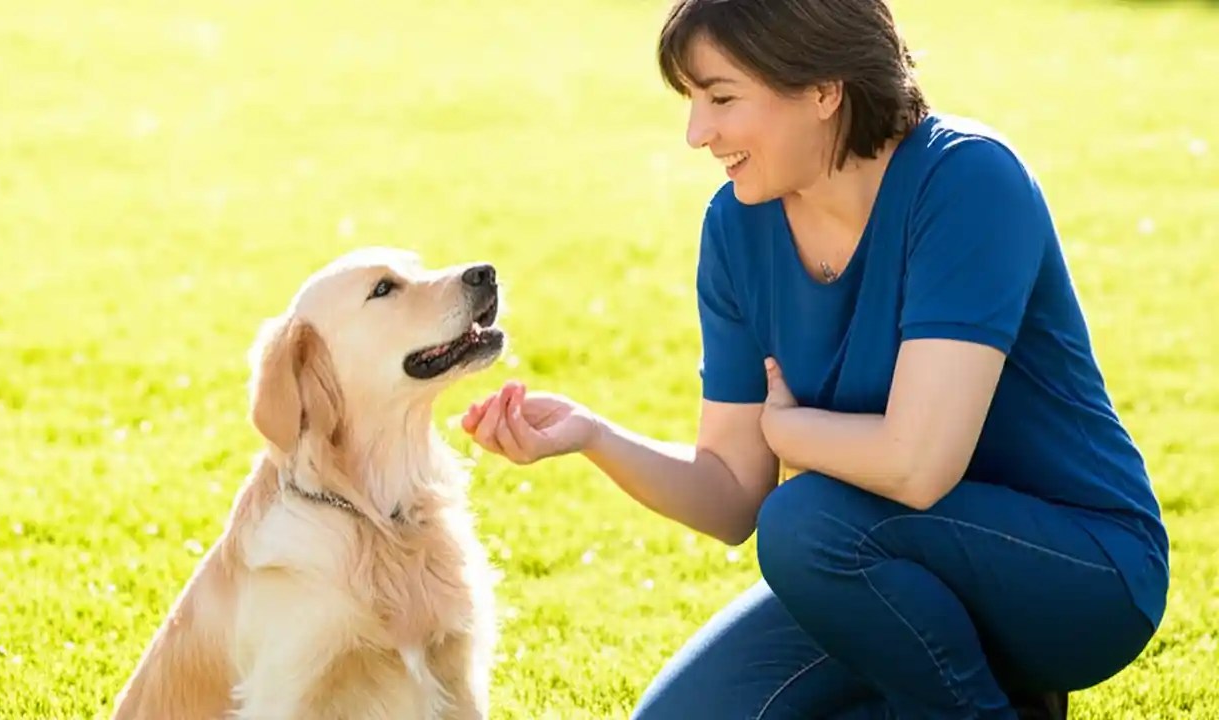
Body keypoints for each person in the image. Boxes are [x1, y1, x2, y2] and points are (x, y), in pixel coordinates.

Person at [459, 0, 1169, 717]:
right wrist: (592, 435)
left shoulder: (968, 180)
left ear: (824, 89)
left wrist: (789, 433)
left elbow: (918, 466)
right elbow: (735, 495)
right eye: (692, 100)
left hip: (1082, 574)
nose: (697, 133)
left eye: (721, 97)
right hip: (880, 570)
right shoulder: (737, 225)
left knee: (805, 521)